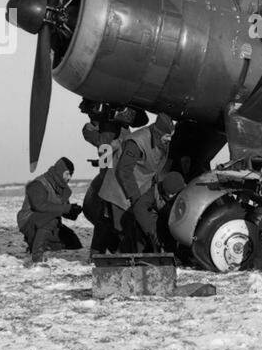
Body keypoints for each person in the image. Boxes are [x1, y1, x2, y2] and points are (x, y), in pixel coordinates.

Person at [98, 112, 175, 252]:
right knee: (125, 228)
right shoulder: (137, 141)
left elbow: (155, 167)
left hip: (139, 184)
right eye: (167, 136)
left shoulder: (161, 141)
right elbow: (123, 171)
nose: (169, 139)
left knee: (134, 226)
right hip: (120, 188)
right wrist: (135, 197)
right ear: (158, 133)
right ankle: (123, 260)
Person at [17, 157, 83, 264]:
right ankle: (37, 258)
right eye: (67, 174)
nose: (69, 177)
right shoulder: (39, 183)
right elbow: (40, 206)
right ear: (60, 171)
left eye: (71, 174)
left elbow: (64, 209)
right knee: (50, 221)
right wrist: (66, 208)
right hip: (28, 221)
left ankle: (34, 244)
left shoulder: (62, 188)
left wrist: (73, 211)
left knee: (71, 240)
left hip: (44, 221)